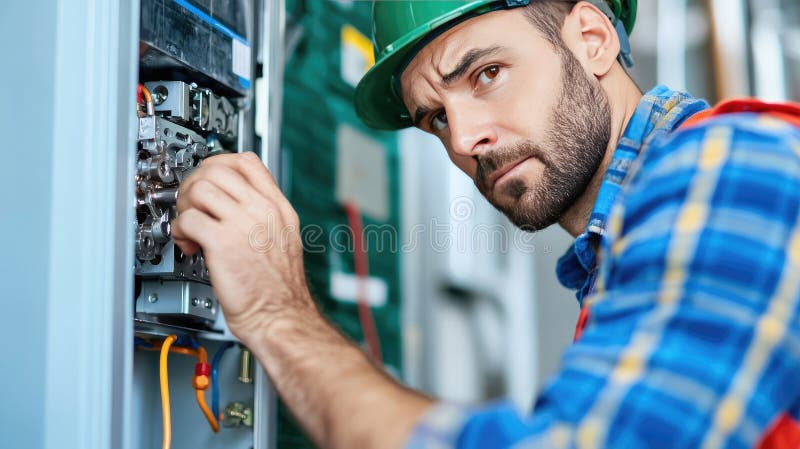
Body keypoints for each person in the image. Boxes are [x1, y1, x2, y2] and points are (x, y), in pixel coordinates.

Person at [170, 0, 800, 447]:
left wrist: (277, 315)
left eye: (487, 74)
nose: (466, 140)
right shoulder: (616, 262)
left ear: (592, 38)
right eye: (436, 119)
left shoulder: (733, 164)